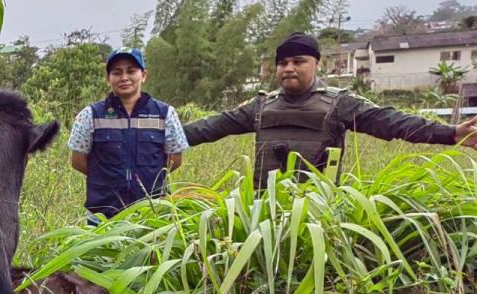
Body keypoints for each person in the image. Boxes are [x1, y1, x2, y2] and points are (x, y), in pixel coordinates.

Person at [184, 32, 477, 188]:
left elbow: (392, 122)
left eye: (298, 61)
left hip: (318, 212)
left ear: (316, 63)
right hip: (263, 211)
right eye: (282, 63)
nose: (288, 68)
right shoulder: (261, 105)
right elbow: (212, 127)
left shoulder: (339, 103)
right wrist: (165, 137)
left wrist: (449, 134)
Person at [67, 47, 189, 219]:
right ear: (108, 78)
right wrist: (106, 175)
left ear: (144, 75)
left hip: (151, 215)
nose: (124, 77)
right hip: (102, 215)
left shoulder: (166, 114)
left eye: (131, 71)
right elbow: (78, 161)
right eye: (117, 72)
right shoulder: (90, 114)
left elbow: (174, 160)